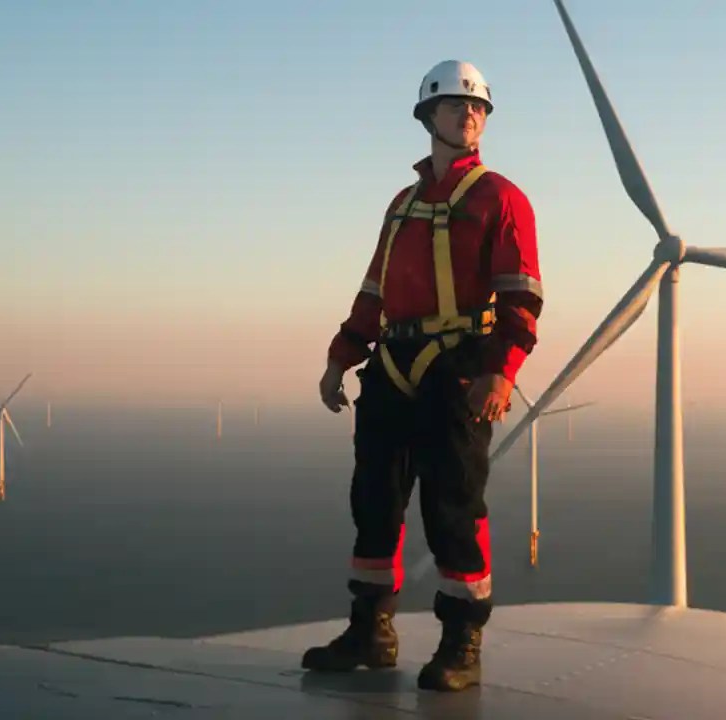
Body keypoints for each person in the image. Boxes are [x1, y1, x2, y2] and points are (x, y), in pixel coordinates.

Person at [301, 60, 543, 692]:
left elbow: (520, 300)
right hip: (391, 366)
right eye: (458, 106)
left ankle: (463, 640)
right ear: (427, 116)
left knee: (454, 506)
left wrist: (501, 374)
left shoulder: (502, 199)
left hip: (460, 369)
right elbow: (374, 289)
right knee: (374, 501)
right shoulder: (402, 204)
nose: (471, 115)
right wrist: (339, 358)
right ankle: (370, 631)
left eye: (479, 108)